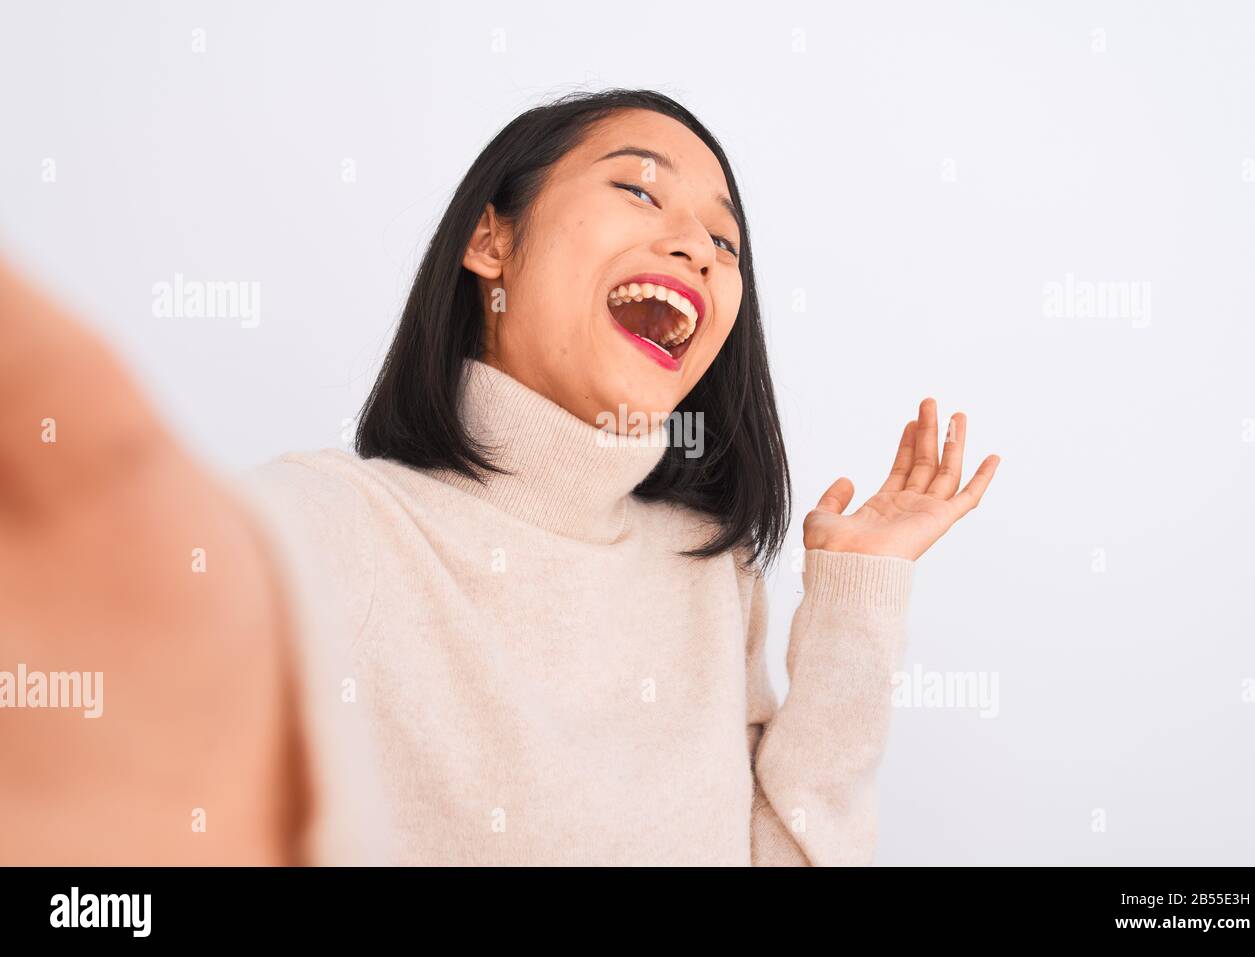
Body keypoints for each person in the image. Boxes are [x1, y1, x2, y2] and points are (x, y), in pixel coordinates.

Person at [0, 89, 998, 866]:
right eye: (639, 189)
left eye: (725, 241)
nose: (696, 245)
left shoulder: (707, 573)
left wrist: (856, 609)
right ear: (491, 242)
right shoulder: (323, 522)